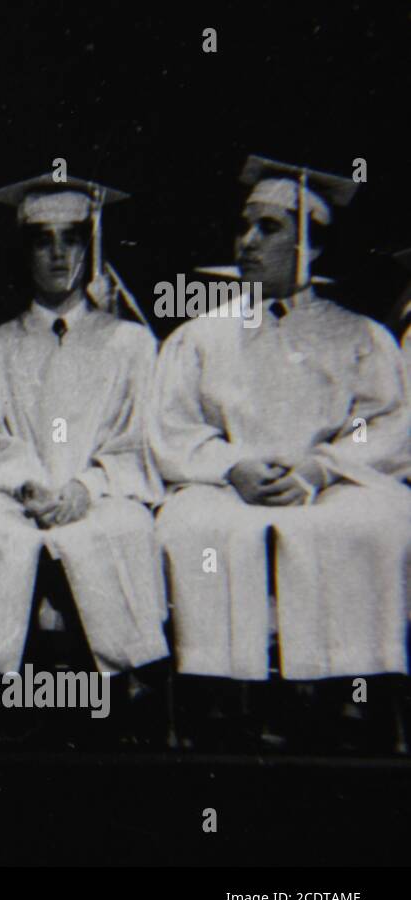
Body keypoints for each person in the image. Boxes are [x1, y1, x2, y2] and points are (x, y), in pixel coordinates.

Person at [149, 156, 411, 746]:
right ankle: (223, 695)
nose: (246, 242)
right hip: (230, 487)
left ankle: (349, 695)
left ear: (310, 247)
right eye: (245, 226)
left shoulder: (359, 336)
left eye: (268, 229)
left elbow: (384, 422)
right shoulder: (201, 335)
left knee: (372, 524)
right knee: (195, 527)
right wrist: (230, 466)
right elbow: (177, 426)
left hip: (329, 485)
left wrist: (323, 466)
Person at [0, 173, 168, 740]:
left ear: (88, 246)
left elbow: (137, 440)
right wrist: (28, 486)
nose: (56, 252)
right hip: (17, 498)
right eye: (41, 239)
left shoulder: (130, 343)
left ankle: (126, 693)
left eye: (70, 238)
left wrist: (85, 489)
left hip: (99, 494)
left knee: (118, 530)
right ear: (23, 252)